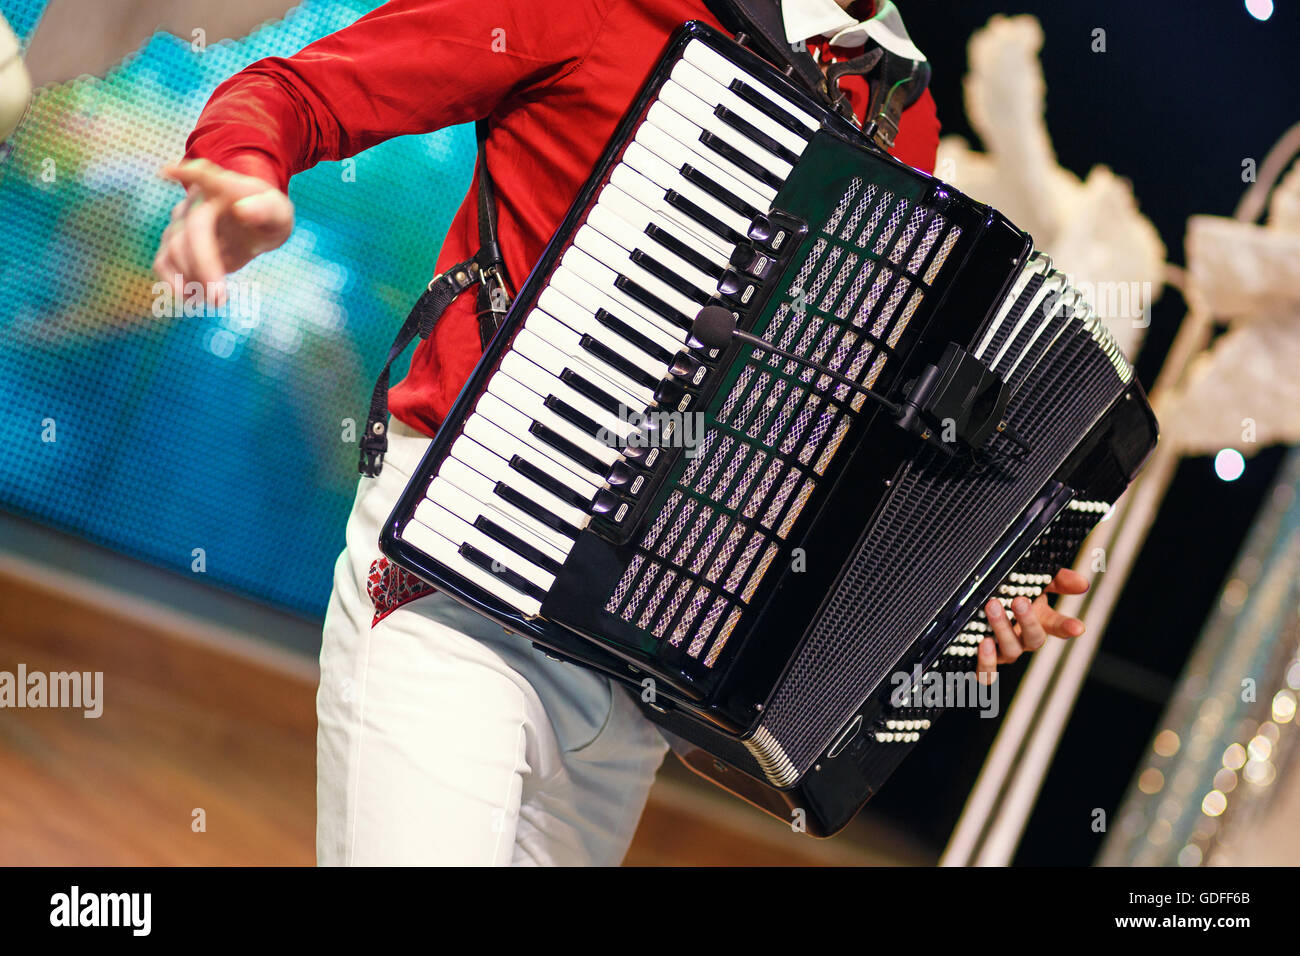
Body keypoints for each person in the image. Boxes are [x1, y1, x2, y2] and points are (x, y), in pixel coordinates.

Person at [153, 0, 1090, 865]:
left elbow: (807, 438)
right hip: (455, 596)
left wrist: (951, 605)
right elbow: (297, 89)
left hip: (637, 681)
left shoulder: (904, 116)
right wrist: (240, 175)